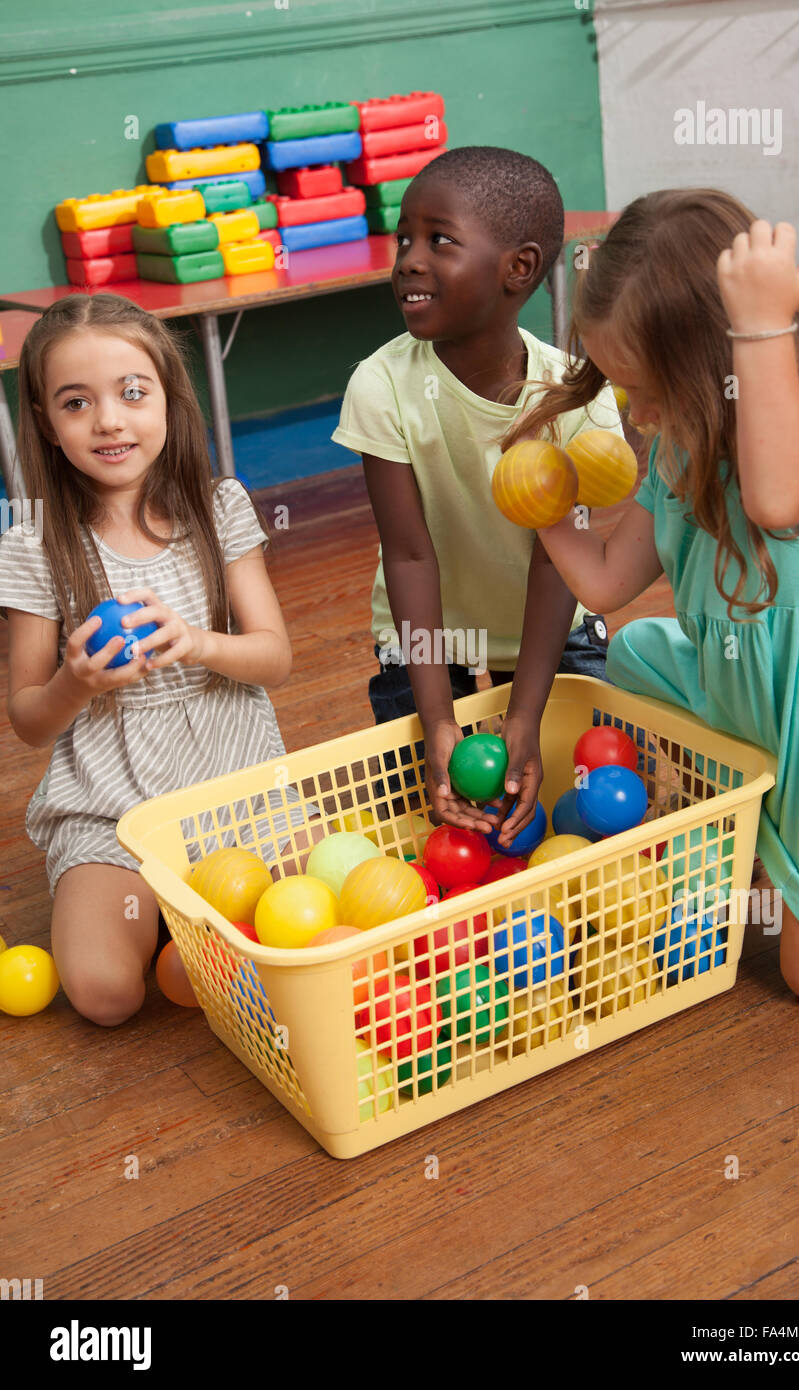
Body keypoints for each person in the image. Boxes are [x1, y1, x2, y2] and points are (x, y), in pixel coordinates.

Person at [506, 187, 799, 1005]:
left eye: (646, 386)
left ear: (723, 361)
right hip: (748, 698)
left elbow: (777, 504)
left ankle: (798, 823)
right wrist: (547, 516)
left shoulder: (787, 435)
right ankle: (756, 815)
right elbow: (605, 583)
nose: (635, 411)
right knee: (628, 653)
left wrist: (764, 322)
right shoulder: (676, 454)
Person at [0, 293, 312, 1027]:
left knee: (323, 923)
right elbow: (26, 722)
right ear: (46, 423)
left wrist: (200, 643)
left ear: (168, 399)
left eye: (132, 394)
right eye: (76, 403)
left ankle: (192, 924)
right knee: (106, 995)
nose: (109, 420)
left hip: (237, 788)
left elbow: (275, 659)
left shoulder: (219, 506)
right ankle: (185, 920)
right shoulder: (34, 545)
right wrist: (75, 681)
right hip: (114, 806)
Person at [332, 145, 622, 845]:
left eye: (439, 240)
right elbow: (408, 556)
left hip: (554, 636)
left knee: (590, 806)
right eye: (404, 238)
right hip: (431, 651)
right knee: (441, 829)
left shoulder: (575, 397)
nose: (409, 259)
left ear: (517, 268)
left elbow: (559, 561)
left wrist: (524, 713)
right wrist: (439, 722)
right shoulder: (383, 384)